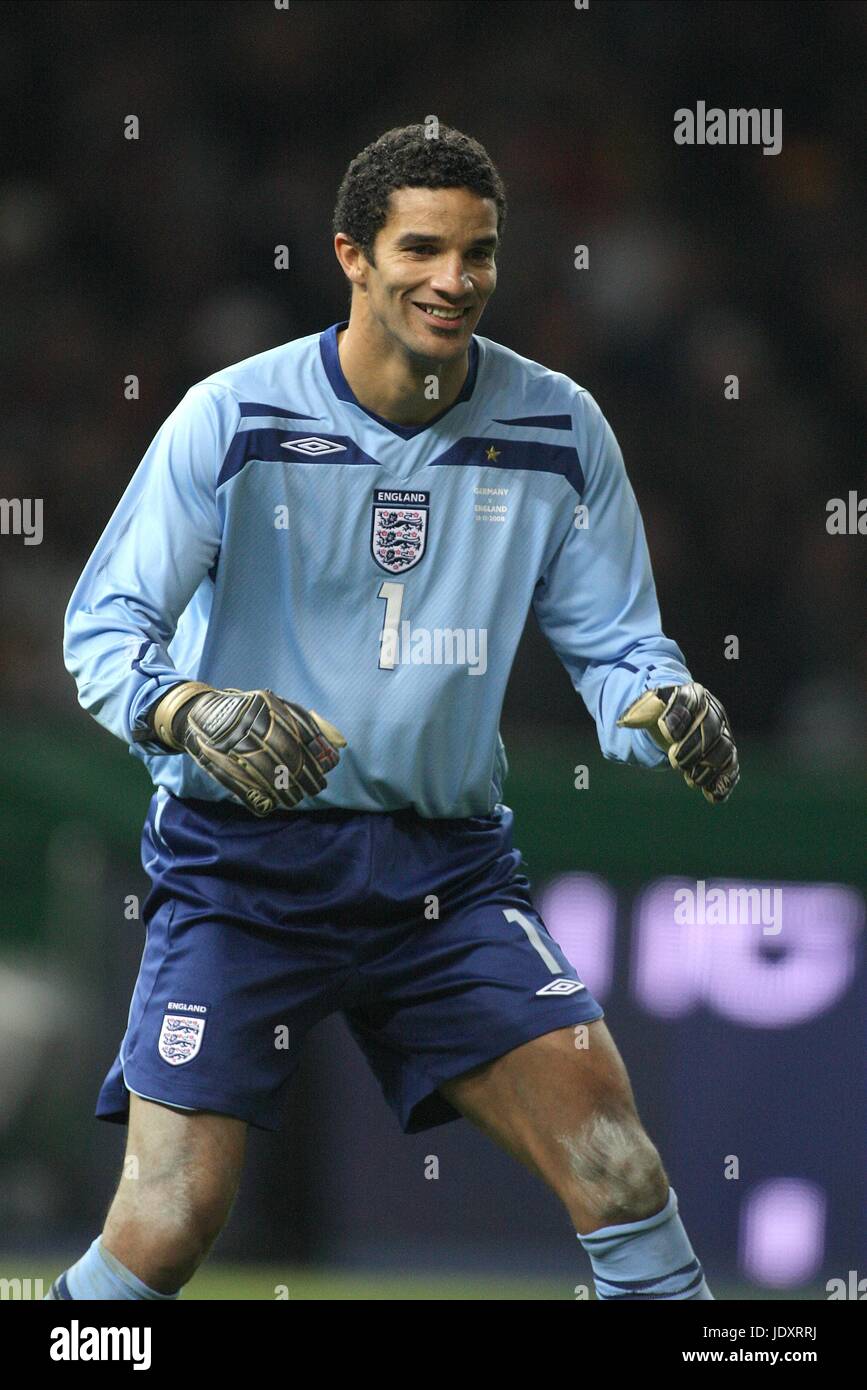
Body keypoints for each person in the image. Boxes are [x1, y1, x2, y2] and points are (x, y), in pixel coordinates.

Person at [55, 123, 738, 1302]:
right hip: (243, 868)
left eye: (478, 254)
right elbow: (104, 633)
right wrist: (182, 708)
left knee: (619, 1170)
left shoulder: (560, 430)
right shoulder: (233, 418)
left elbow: (619, 648)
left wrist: (663, 704)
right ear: (352, 257)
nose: (454, 281)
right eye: (421, 249)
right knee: (165, 1226)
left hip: (447, 877)